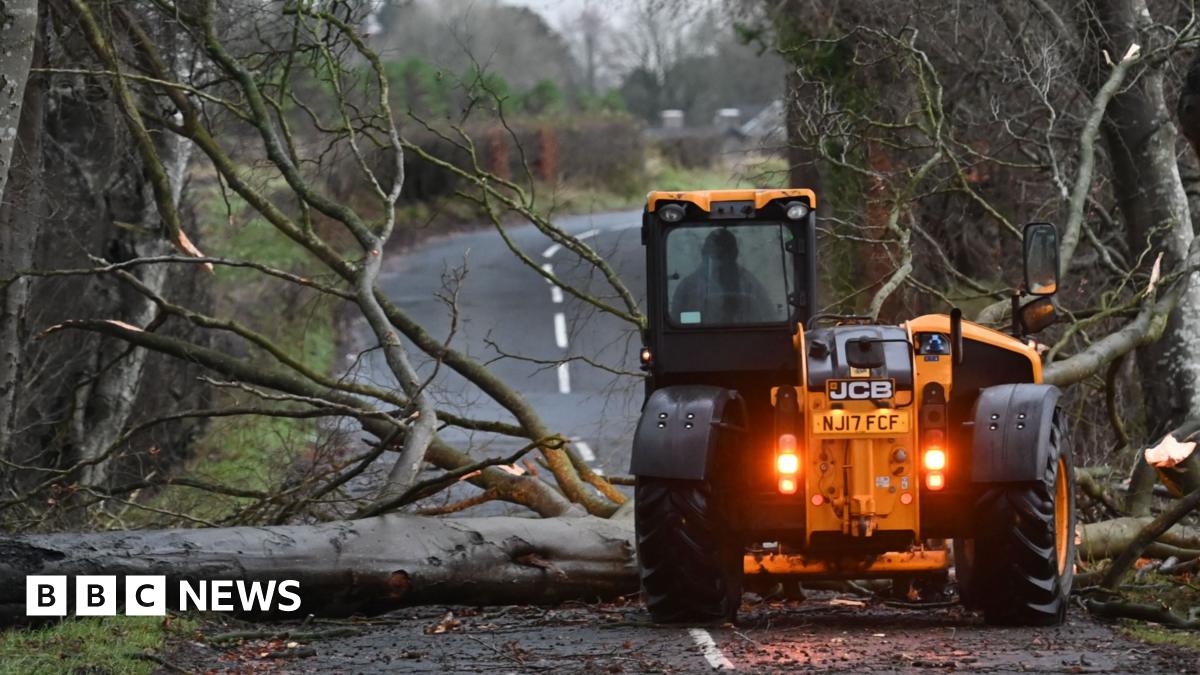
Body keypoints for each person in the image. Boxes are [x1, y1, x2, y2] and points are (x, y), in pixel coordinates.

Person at [671, 228, 776, 325]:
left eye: (721, 255)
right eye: (712, 254)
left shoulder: (750, 286)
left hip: (745, 341)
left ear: (733, 255)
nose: (717, 261)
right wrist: (696, 319)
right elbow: (677, 320)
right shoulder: (689, 287)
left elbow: (767, 319)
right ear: (703, 254)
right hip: (700, 341)